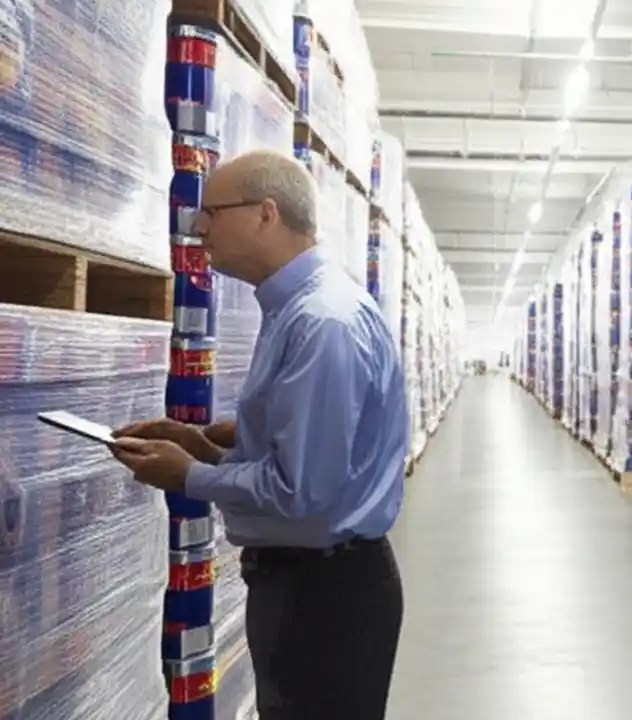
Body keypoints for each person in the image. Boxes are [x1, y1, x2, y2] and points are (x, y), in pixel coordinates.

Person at [111, 150, 407, 719]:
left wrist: (188, 475)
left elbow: (302, 488)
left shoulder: (321, 323)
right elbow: (295, 443)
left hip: (324, 598)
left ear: (265, 215)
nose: (198, 226)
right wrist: (207, 445)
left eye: (213, 212)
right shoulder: (294, 309)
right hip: (307, 585)